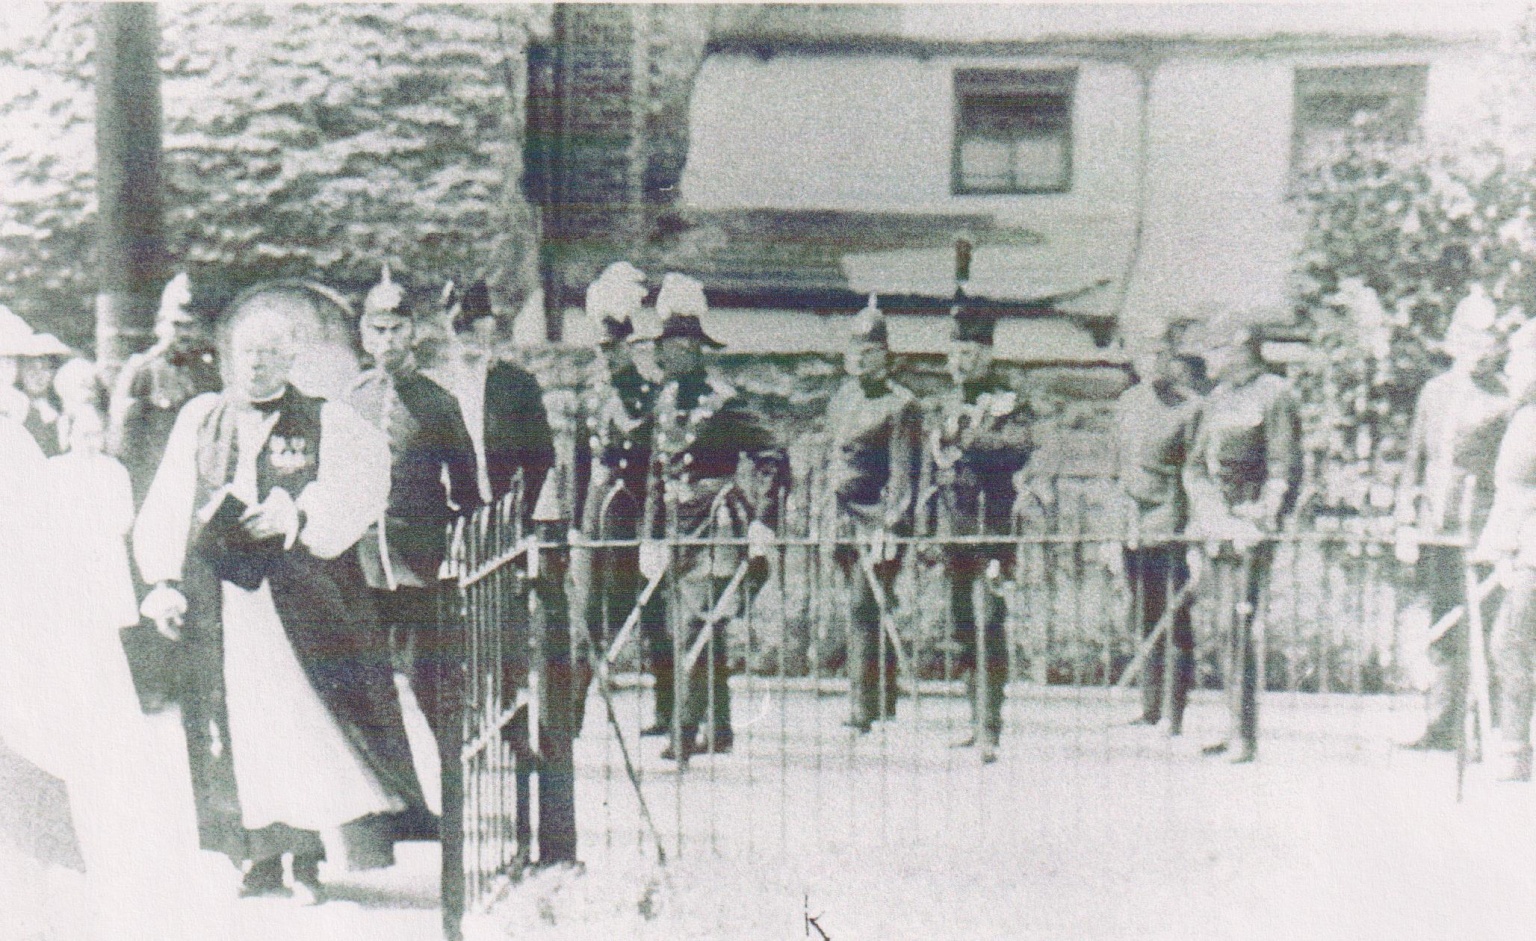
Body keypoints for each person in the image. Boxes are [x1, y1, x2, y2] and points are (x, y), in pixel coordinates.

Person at [133, 296, 426, 903]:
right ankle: (258, 855)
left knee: (305, 722)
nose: (257, 365)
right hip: (223, 606)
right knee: (237, 724)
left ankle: (308, 857)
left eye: (271, 353)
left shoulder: (326, 419)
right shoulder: (202, 418)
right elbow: (169, 495)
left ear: (291, 358)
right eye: (247, 353)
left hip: (300, 604)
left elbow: (365, 481)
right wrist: (160, 580)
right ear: (228, 358)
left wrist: (298, 511)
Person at [347, 267, 482, 864]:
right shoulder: (349, 401)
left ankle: (457, 799)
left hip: (421, 570)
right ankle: (399, 807)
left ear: (414, 332)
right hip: (362, 572)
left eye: (397, 328)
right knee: (368, 692)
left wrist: (456, 549)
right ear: (364, 334)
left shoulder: (437, 402)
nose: (387, 340)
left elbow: (470, 492)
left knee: (433, 689)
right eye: (377, 329)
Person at [640, 274, 785, 762]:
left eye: (675, 345)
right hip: (679, 528)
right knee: (694, 624)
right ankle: (719, 727)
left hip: (717, 524)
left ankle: (683, 733)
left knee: (696, 626)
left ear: (696, 349)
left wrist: (764, 517)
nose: (664, 355)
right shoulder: (662, 401)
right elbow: (656, 476)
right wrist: (650, 535)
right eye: (663, 345)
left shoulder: (723, 402)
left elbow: (772, 452)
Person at [1183, 317, 1301, 764]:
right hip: (1218, 531)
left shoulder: (1275, 395)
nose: (1206, 361)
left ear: (1239, 351)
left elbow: (1283, 469)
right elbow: (1194, 468)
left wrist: (1261, 521)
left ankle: (1243, 734)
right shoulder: (1216, 399)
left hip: (1251, 532)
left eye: (1212, 352)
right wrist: (1213, 516)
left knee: (1240, 625)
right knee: (1220, 629)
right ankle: (1231, 724)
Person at [1395, 287, 1509, 751]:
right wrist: (1404, 520)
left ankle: (1484, 731)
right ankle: (1441, 726)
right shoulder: (1434, 392)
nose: (1484, 352)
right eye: (1474, 341)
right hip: (1434, 528)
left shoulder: (1506, 398)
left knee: (1486, 629)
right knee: (1442, 625)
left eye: (1491, 343)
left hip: (1482, 529)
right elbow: (1414, 461)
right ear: (1457, 342)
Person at [930, 301, 1033, 763]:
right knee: (961, 628)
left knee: (990, 625)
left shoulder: (1010, 402)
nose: (961, 362)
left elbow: (1016, 449)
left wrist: (968, 438)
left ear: (988, 356)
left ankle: (991, 728)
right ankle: (974, 722)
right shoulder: (944, 404)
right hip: (953, 530)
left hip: (992, 529)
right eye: (955, 353)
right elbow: (930, 470)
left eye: (971, 353)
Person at [568, 262, 666, 736]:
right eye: (600, 348)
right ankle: (571, 714)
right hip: (595, 516)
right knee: (587, 616)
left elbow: (657, 465)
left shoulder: (650, 395)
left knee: (654, 612)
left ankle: (671, 714)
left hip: (636, 513)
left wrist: (654, 528)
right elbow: (579, 460)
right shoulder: (591, 392)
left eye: (612, 348)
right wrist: (573, 520)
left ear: (631, 347)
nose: (605, 357)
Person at [826, 296, 921, 733]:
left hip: (877, 519)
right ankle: (883, 699)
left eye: (870, 353)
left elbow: (904, 474)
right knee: (865, 606)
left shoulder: (901, 405)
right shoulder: (843, 397)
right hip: (842, 519)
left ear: (887, 357)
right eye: (855, 352)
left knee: (864, 607)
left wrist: (891, 526)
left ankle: (861, 709)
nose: (861, 360)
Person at [1114, 321, 1207, 734]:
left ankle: (1175, 712)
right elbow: (1118, 466)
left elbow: (1194, 472)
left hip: (1171, 523)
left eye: (1161, 355)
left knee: (1174, 618)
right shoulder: (1128, 403)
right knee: (1142, 615)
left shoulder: (1191, 408)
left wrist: (1191, 532)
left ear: (1172, 360)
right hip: (1132, 523)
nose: (1153, 363)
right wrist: (1120, 519)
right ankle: (1149, 706)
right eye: (1145, 354)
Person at [1473, 317, 1536, 781]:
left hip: (1529, 553)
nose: (1510, 365)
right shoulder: (1523, 417)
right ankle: (1514, 749)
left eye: (1519, 356)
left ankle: (1515, 750)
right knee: (1509, 644)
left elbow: (1520, 492)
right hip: (1519, 551)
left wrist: (1511, 549)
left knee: (1510, 643)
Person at [107, 272, 221, 505]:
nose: (185, 333)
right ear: (160, 325)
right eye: (177, 325)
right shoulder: (143, 372)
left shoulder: (209, 372)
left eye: (191, 325)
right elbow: (123, 441)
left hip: (199, 488)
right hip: (154, 485)